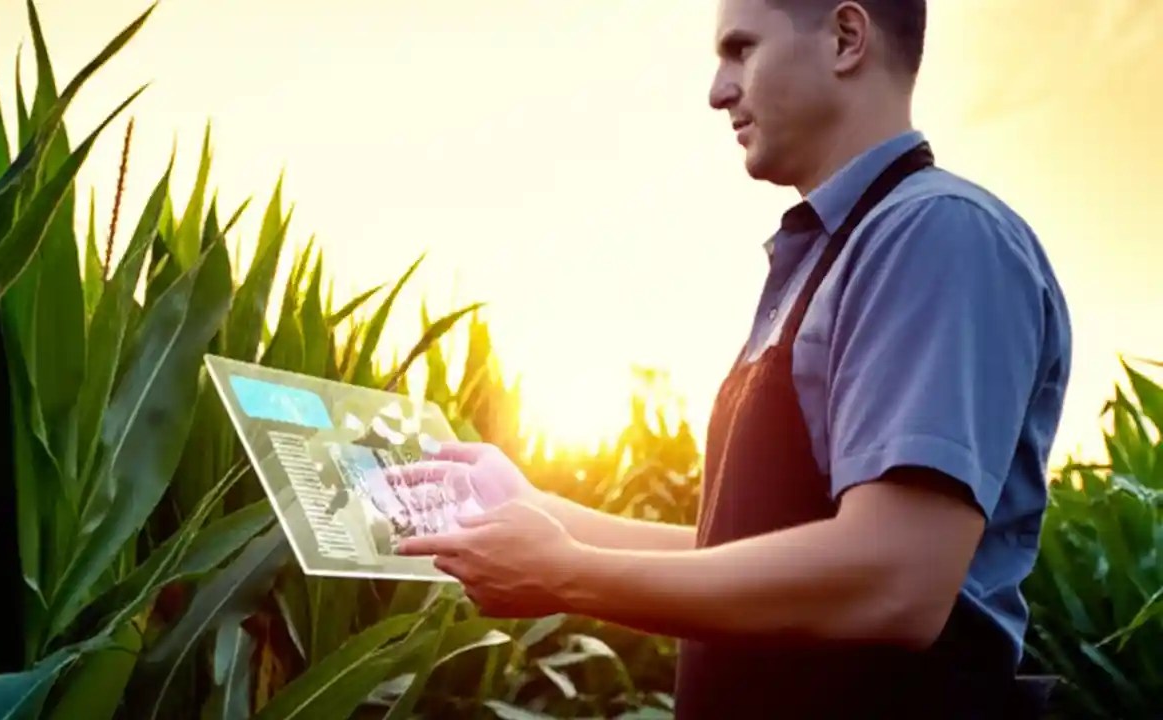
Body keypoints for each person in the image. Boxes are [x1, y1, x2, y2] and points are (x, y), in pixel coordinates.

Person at [396, 0, 1072, 717]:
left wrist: (568, 574)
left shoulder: (935, 234)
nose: (717, 90)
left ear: (846, 38)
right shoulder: (831, 257)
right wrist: (539, 509)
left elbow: (893, 578)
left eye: (740, 50)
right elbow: (755, 551)